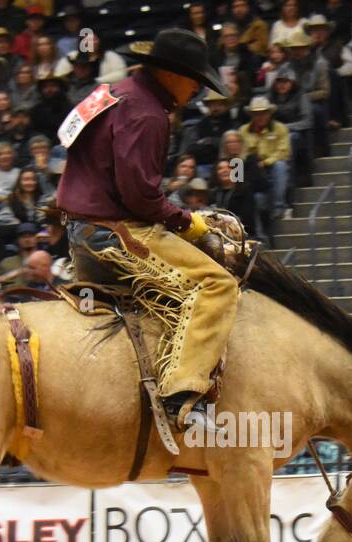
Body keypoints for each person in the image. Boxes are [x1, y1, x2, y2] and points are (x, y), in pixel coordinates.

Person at [56, 28, 240, 431]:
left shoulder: (113, 92)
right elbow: (139, 197)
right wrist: (188, 223)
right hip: (114, 234)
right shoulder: (147, 113)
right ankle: (182, 395)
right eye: (196, 80)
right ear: (172, 74)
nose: (197, 91)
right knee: (218, 286)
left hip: (79, 233)